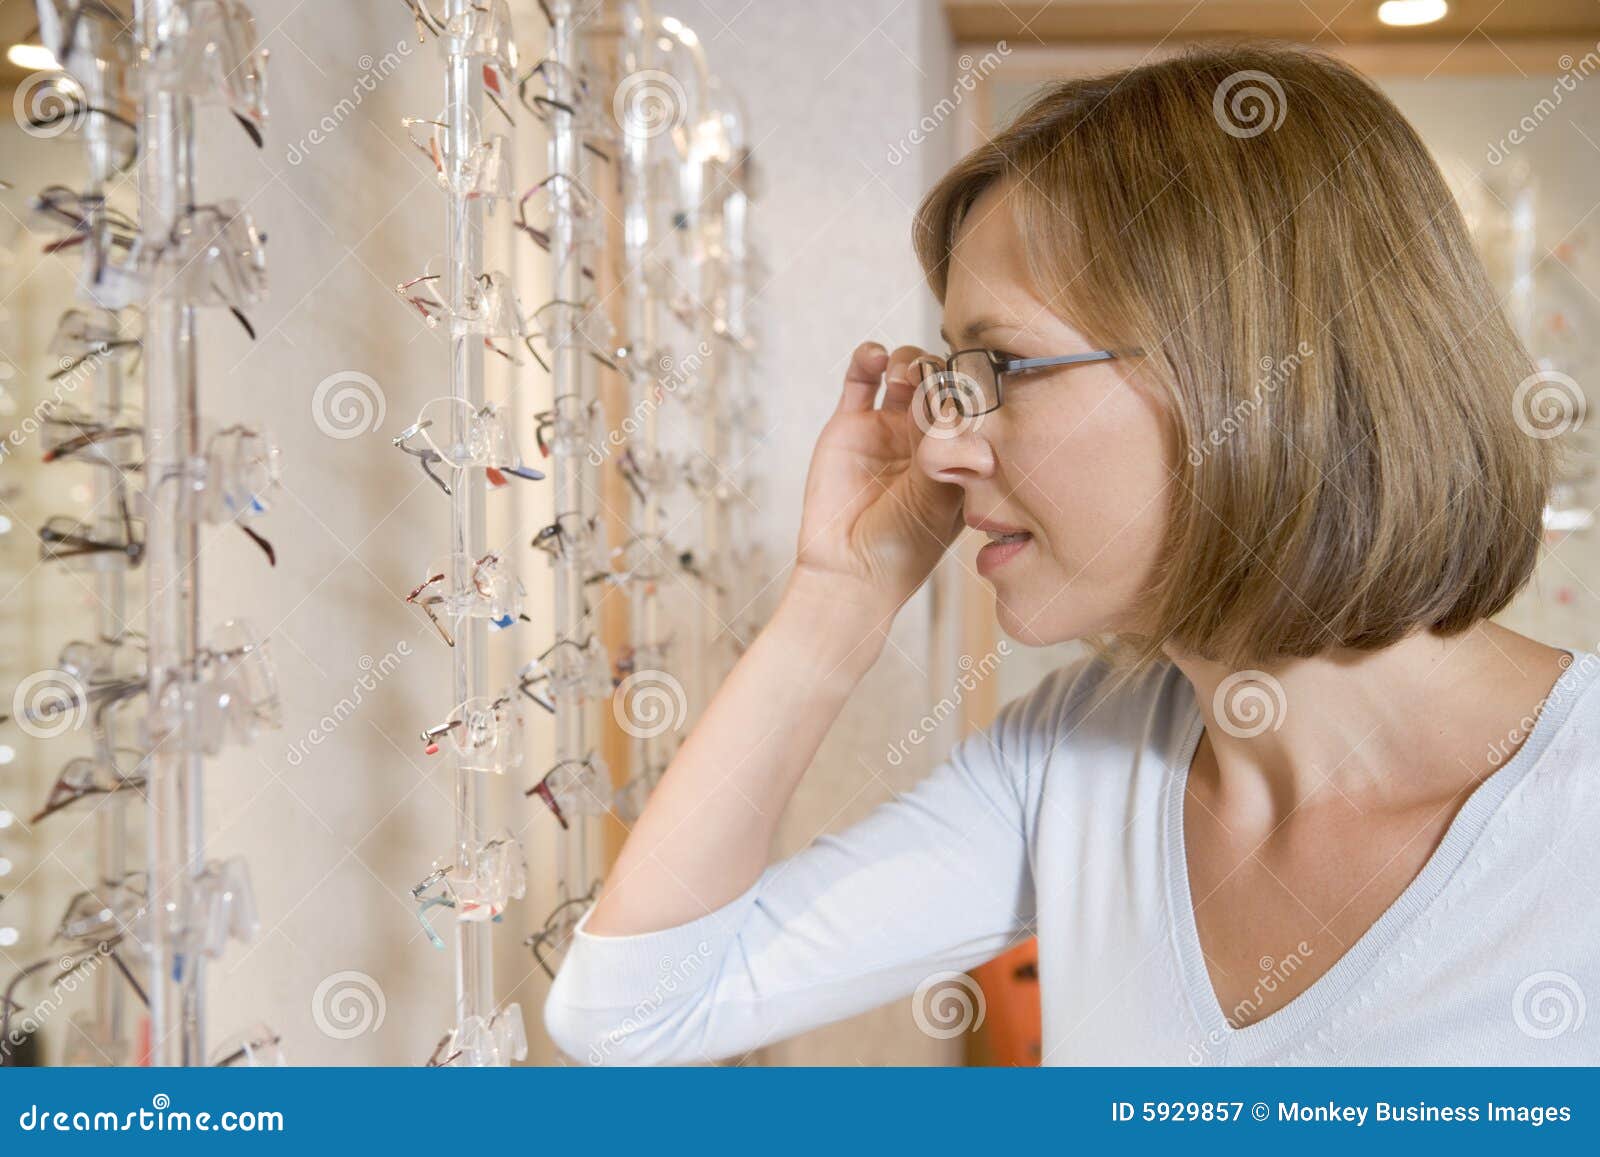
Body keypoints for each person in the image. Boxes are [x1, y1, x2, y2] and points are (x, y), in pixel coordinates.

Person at [545, 41, 1599, 1065]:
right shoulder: (1071, 760)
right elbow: (631, 1013)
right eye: (955, 372)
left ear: (1243, 368)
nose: (941, 447)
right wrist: (837, 598)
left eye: (1002, 362)